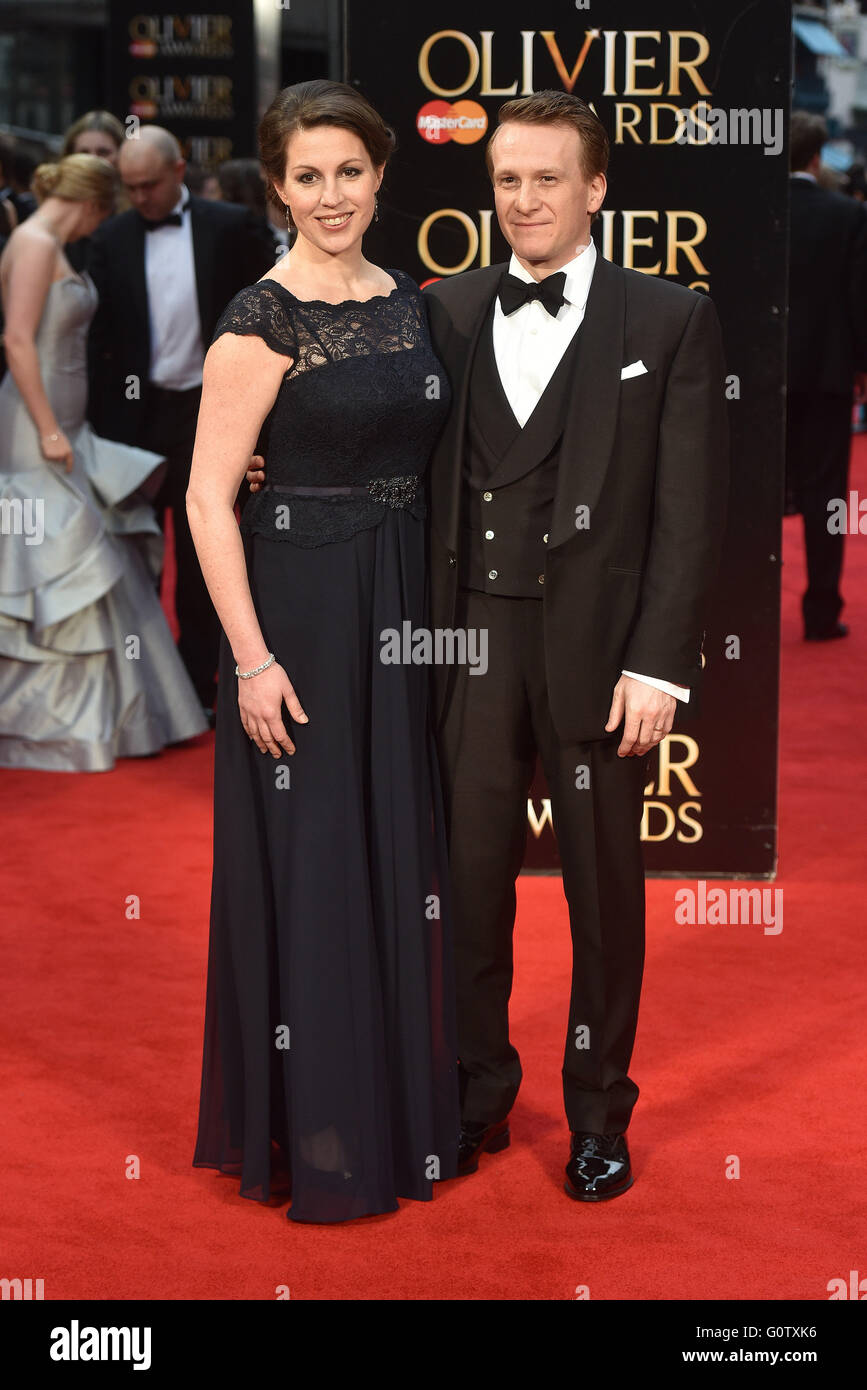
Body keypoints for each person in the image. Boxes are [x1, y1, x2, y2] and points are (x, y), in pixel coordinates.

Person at [188, 80, 459, 1224]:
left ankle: (398, 1109)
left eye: (350, 170)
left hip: (399, 596)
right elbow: (207, 501)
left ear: (382, 174)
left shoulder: (409, 297)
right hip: (299, 609)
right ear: (277, 187)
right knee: (318, 861)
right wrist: (252, 661)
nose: (331, 194)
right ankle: (325, 1129)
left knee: (394, 849)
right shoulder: (260, 317)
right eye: (308, 176)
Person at [0, 153, 208, 771]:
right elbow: (15, 339)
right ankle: (52, 720)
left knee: (78, 553)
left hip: (62, 423)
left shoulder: (44, 240)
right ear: (92, 203)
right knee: (57, 558)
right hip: (35, 426)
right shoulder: (36, 243)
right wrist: (46, 428)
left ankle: (103, 717)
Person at [85, 126, 277, 719]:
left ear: (180, 169)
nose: (139, 197)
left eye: (149, 185)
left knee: (205, 556)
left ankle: (203, 687)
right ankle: (147, 695)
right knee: (140, 552)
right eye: (130, 187)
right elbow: (101, 340)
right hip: (138, 417)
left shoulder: (230, 226)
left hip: (215, 407)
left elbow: (271, 312)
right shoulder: (110, 238)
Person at [787, 111, 867, 641]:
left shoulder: (756, 211)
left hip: (760, 378)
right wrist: (860, 367)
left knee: (748, 495)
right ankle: (820, 613)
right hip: (828, 377)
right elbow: (858, 299)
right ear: (818, 157)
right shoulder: (847, 216)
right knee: (826, 497)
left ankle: (742, 609)